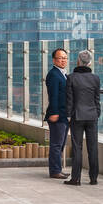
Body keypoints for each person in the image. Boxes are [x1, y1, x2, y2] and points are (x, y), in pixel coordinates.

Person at [65, 49, 101, 185]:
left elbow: (70, 100)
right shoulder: (95, 78)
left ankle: (76, 178)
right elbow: (97, 99)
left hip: (77, 116)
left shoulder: (71, 77)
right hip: (92, 116)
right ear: (90, 62)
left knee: (77, 147)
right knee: (93, 148)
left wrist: (68, 115)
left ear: (78, 61)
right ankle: (93, 178)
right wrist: (97, 113)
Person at [43, 47, 69, 179]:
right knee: (56, 144)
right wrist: (54, 112)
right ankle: (54, 171)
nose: (63, 60)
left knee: (61, 144)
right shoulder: (53, 74)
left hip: (64, 115)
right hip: (57, 115)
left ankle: (57, 169)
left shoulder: (62, 73)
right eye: (60, 58)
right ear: (54, 60)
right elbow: (52, 96)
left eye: (65, 58)